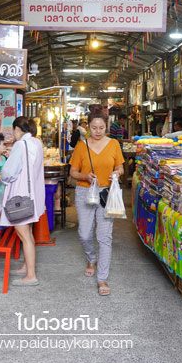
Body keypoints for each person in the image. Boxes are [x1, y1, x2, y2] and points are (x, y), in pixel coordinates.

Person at [69, 111, 125, 296]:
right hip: (85, 192)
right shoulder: (81, 146)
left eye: (101, 128)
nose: (98, 131)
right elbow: (73, 172)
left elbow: (120, 167)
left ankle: (102, 278)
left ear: (106, 127)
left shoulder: (114, 144)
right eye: (94, 128)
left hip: (106, 193)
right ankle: (91, 258)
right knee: (84, 234)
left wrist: (117, 173)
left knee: (104, 237)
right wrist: (85, 176)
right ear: (88, 126)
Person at [0, 117, 46, 286]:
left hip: (20, 195)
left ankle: (31, 276)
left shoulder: (20, 145)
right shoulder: (36, 142)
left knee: (24, 235)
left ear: (18, 129)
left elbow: (9, 172)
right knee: (29, 231)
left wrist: (3, 173)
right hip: (33, 195)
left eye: (14, 130)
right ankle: (27, 266)